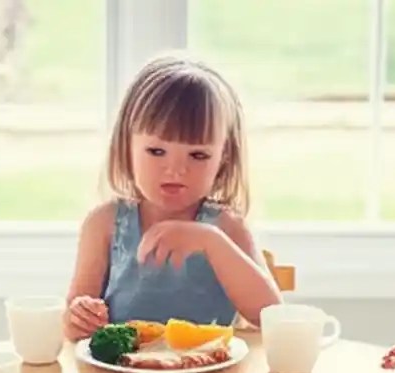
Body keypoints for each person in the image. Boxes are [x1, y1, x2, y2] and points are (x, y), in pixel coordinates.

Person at [63, 54, 281, 339]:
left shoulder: (226, 227)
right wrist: (79, 316)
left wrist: (211, 242)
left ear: (223, 159)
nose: (176, 169)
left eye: (198, 155)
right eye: (156, 151)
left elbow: (272, 316)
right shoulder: (104, 224)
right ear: (126, 145)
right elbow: (72, 320)